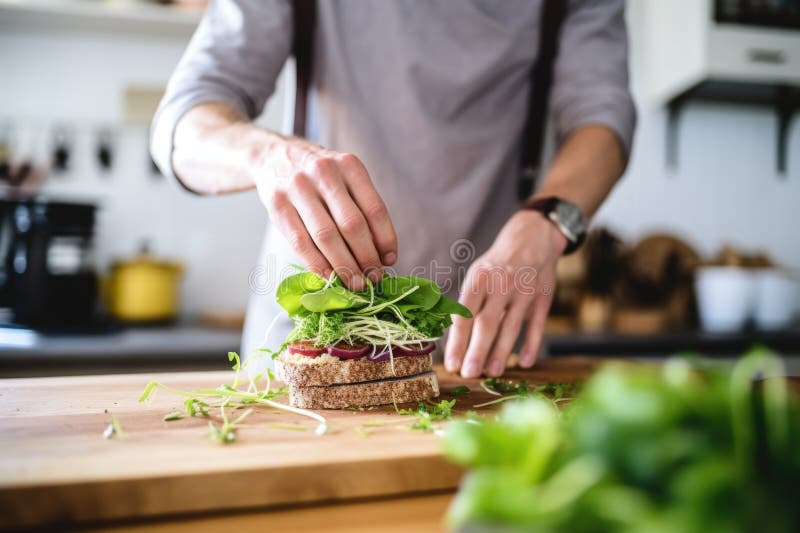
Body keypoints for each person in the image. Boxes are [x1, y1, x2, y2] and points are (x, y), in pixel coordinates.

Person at [151, 0, 636, 378]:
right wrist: (268, 156)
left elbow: (602, 117)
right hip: (313, 331)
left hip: (483, 328)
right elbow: (184, 123)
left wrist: (549, 220)